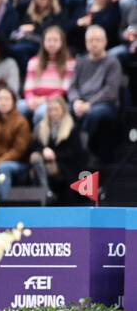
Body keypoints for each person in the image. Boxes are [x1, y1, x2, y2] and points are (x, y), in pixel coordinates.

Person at [68, 24, 122, 153]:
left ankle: (84, 149)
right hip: (81, 102)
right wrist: (76, 101)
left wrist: (89, 104)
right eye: (90, 40)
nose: (93, 44)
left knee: (94, 114)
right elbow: (72, 86)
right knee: (61, 110)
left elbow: (110, 90)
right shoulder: (81, 61)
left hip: (104, 103)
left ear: (105, 42)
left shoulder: (112, 62)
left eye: (97, 40)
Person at [29, 95, 86, 200]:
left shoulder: (72, 127)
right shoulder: (41, 127)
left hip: (66, 164)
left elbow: (75, 152)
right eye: (50, 110)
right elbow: (34, 146)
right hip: (43, 162)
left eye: (56, 109)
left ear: (63, 110)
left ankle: (46, 192)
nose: (53, 113)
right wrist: (43, 151)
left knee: (39, 170)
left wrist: (55, 155)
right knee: (35, 157)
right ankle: (46, 191)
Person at [21, 25, 74, 123]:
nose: (51, 43)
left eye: (55, 40)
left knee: (40, 113)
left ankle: (38, 138)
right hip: (34, 99)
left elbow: (63, 90)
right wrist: (30, 100)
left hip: (56, 102)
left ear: (62, 43)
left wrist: (43, 100)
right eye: (48, 40)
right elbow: (28, 88)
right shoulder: (33, 62)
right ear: (43, 42)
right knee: (16, 108)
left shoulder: (69, 63)